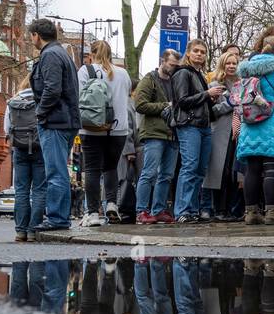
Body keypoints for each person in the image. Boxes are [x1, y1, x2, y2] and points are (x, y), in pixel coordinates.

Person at [236, 35, 274, 224]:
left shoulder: (247, 70)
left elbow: (240, 96)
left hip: (250, 122)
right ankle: (272, 213)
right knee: (272, 169)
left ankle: (251, 213)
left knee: (252, 170)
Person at [27, 18, 80, 231]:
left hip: (56, 121)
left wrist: (40, 113)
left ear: (37, 35)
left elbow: (52, 89)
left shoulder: (49, 55)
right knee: (59, 171)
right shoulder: (62, 54)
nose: (31, 39)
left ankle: (58, 218)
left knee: (55, 171)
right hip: (65, 120)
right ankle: (59, 217)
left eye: (31, 35)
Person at [75, 40, 133, 226]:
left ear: (91, 54)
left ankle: (92, 213)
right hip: (118, 128)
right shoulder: (123, 73)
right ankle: (112, 204)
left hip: (91, 128)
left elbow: (79, 97)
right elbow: (127, 94)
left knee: (92, 170)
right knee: (111, 167)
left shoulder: (85, 71)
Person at [170, 39, 225, 223]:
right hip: (189, 125)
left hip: (204, 126)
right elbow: (182, 100)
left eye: (202, 52)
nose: (200, 54)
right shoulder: (182, 73)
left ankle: (192, 210)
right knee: (189, 167)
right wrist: (207, 94)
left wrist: (212, 99)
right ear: (188, 52)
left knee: (200, 170)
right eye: (196, 51)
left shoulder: (199, 75)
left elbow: (200, 101)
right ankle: (182, 211)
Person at [131, 48, 181, 224]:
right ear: (163, 61)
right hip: (154, 132)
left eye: (176, 66)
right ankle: (141, 211)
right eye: (171, 64)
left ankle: (158, 210)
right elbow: (140, 105)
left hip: (172, 133)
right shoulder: (149, 79)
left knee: (166, 174)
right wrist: (165, 106)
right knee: (149, 173)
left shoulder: (175, 81)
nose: (173, 68)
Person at [203, 50, 242, 221]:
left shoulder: (242, 85)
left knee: (236, 173)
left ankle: (232, 210)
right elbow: (212, 111)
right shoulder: (215, 85)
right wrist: (229, 103)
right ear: (222, 65)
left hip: (239, 133)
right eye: (228, 63)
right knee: (221, 172)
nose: (232, 66)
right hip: (221, 133)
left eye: (234, 63)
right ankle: (219, 210)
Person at [7, 76, 47, 241]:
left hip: (20, 149)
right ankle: (33, 230)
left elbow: (6, 128)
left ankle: (20, 231)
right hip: (40, 149)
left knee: (21, 191)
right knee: (39, 190)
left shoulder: (13, 101)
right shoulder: (41, 99)